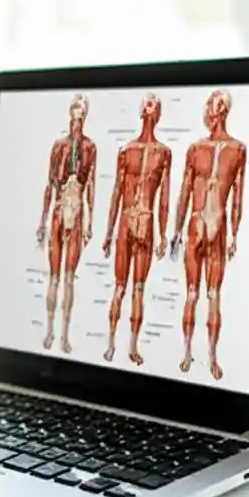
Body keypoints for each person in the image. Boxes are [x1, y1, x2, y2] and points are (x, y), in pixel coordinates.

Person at [170, 89, 246, 380]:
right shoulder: (226, 149)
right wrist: (177, 230)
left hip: (204, 222)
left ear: (219, 111)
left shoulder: (224, 149)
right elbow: (186, 192)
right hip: (210, 221)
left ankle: (201, 355)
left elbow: (234, 196)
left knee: (202, 294)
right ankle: (196, 354)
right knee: (205, 294)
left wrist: (235, 234)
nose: (210, 112)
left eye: (213, 107)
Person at [101, 93, 170, 366]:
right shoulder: (126, 150)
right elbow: (116, 192)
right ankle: (111, 344)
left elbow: (164, 196)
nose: (149, 106)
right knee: (121, 286)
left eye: (154, 102)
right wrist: (108, 233)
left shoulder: (164, 153)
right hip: (129, 219)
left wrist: (164, 234)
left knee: (137, 287)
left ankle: (130, 346)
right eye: (147, 102)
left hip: (143, 219)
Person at [35, 93, 96, 354]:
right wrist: (42, 220)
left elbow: (91, 183)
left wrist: (91, 220)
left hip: (77, 212)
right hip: (60, 210)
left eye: (81, 113)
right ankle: (50, 330)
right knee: (55, 276)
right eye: (75, 111)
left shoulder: (90, 148)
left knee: (69, 277)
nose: (77, 118)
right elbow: (50, 183)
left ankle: (65, 336)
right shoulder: (59, 146)